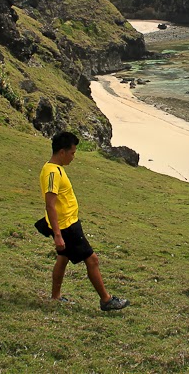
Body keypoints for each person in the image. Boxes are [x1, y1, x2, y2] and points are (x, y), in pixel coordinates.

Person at [39, 131, 130, 311]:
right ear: (62, 152)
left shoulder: (56, 169)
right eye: (72, 153)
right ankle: (106, 300)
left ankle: (55, 297)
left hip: (69, 222)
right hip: (67, 226)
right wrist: (57, 234)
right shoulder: (52, 173)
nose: (74, 157)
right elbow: (50, 205)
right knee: (92, 260)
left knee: (63, 259)